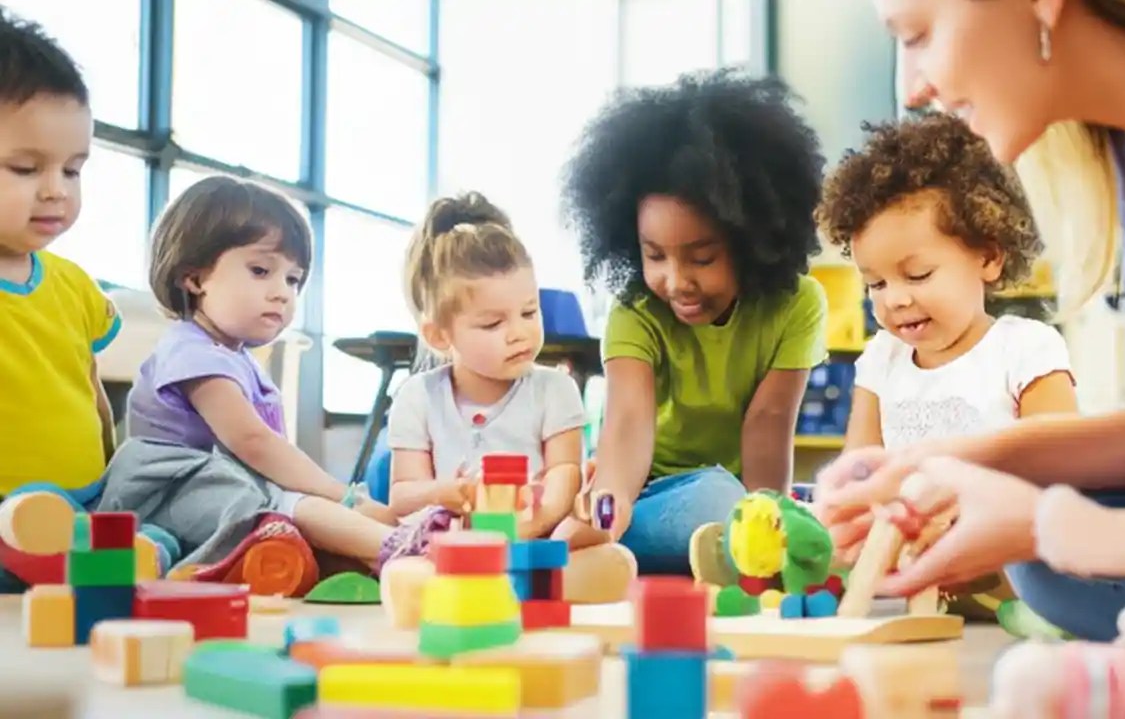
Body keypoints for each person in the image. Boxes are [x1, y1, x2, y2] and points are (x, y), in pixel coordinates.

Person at [817, 0, 1125, 712]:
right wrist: (953, 463)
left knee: (1054, 538)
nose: (912, 87)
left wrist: (1068, 529)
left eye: (918, 35)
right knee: (1043, 568)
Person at [555, 69, 829, 575]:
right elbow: (628, 423)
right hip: (650, 494)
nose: (675, 280)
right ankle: (612, 545)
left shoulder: (799, 304)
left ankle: (713, 548)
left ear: (752, 243)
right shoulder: (635, 311)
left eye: (702, 258)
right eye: (654, 255)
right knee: (703, 502)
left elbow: (769, 426)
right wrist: (607, 515)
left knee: (732, 501)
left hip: (730, 497)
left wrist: (767, 531)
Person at [814, 112, 1077, 625]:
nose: (895, 300)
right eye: (876, 284)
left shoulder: (1026, 349)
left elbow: (1059, 471)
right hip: (906, 547)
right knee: (821, 543)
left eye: (917, 274)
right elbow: (859, 470)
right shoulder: (881, 359)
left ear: (989, 258)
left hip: (1003, 553)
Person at [98, 176, 417, 596]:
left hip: (222, 490)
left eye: (293, 280)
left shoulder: (235, 357)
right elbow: (253, 442)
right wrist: (347, 497)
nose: (282, 294)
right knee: (294, 507)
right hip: (174, 492)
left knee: (302, 514)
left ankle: (373, 556)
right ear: (194, 279)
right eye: (261, 271)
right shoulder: (192, 351)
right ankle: (406, 552)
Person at [386, 191, 637, 602]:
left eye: (529, 312)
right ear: (439, 335)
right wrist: (445, 494)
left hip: (537, 537)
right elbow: (402, 495)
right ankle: (505, 588)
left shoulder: (554, 388)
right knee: (390, 544)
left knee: (610, 552)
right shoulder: (418, 396)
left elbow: (563, 477)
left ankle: (508, 584)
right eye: (492, 323)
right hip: (452, 539)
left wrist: (523, 531)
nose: (519, 332)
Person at [0, 9, 177, 585]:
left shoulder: (74, 284)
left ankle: (108, 552)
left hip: (83, 495)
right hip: (7, 508)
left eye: (73, 171)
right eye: (25, 168)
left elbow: (92, 387)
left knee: (163, 523)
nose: (56, 191)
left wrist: (110, 467)